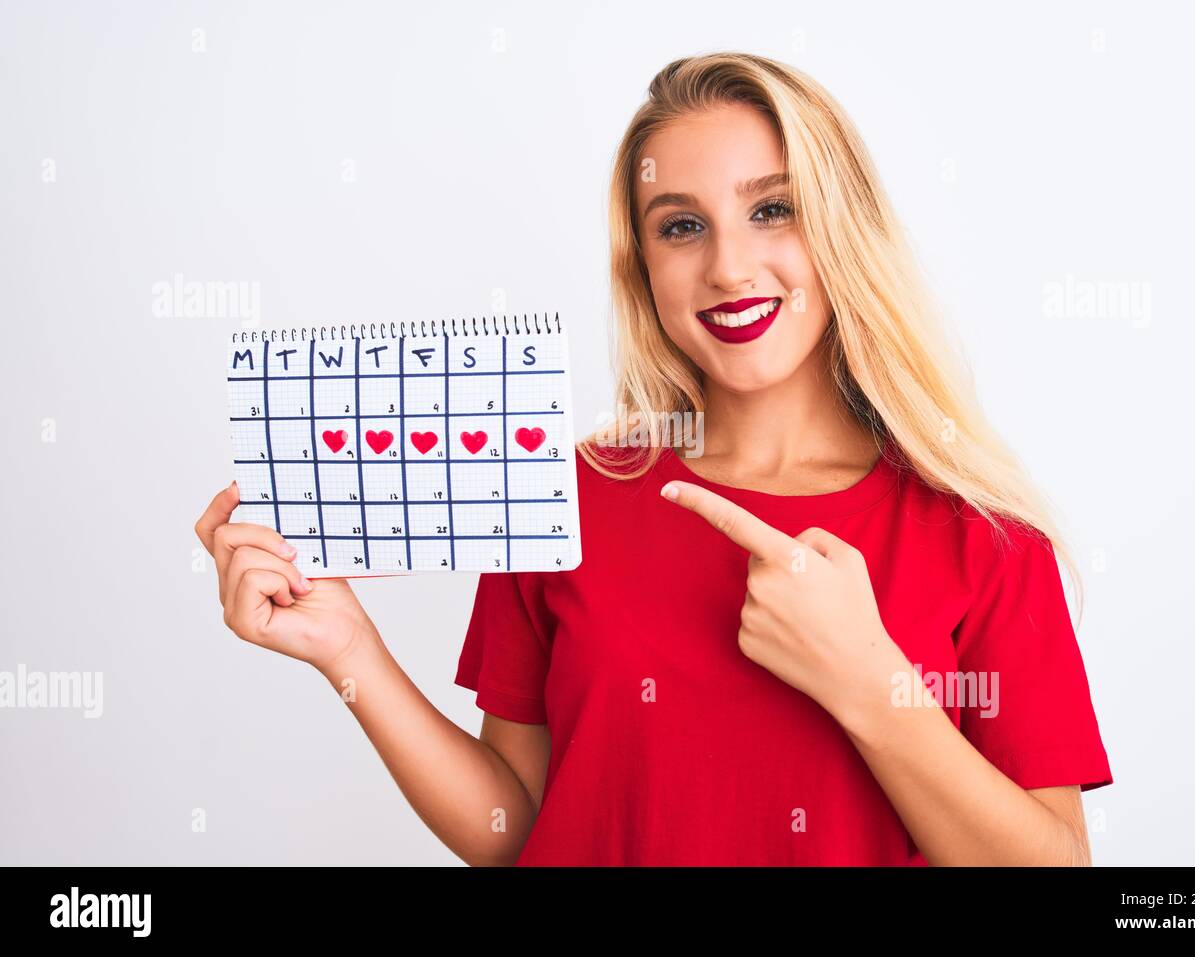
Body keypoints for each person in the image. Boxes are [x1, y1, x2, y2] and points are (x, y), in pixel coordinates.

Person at [195, 52, 1112, 866]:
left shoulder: (981, 537)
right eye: (681, 226)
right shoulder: (564, 498)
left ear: (843, 230)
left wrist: (873, 687)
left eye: (773, 209)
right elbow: (512, 829)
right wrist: (350, 649)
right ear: (643, 268)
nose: (729, 267)